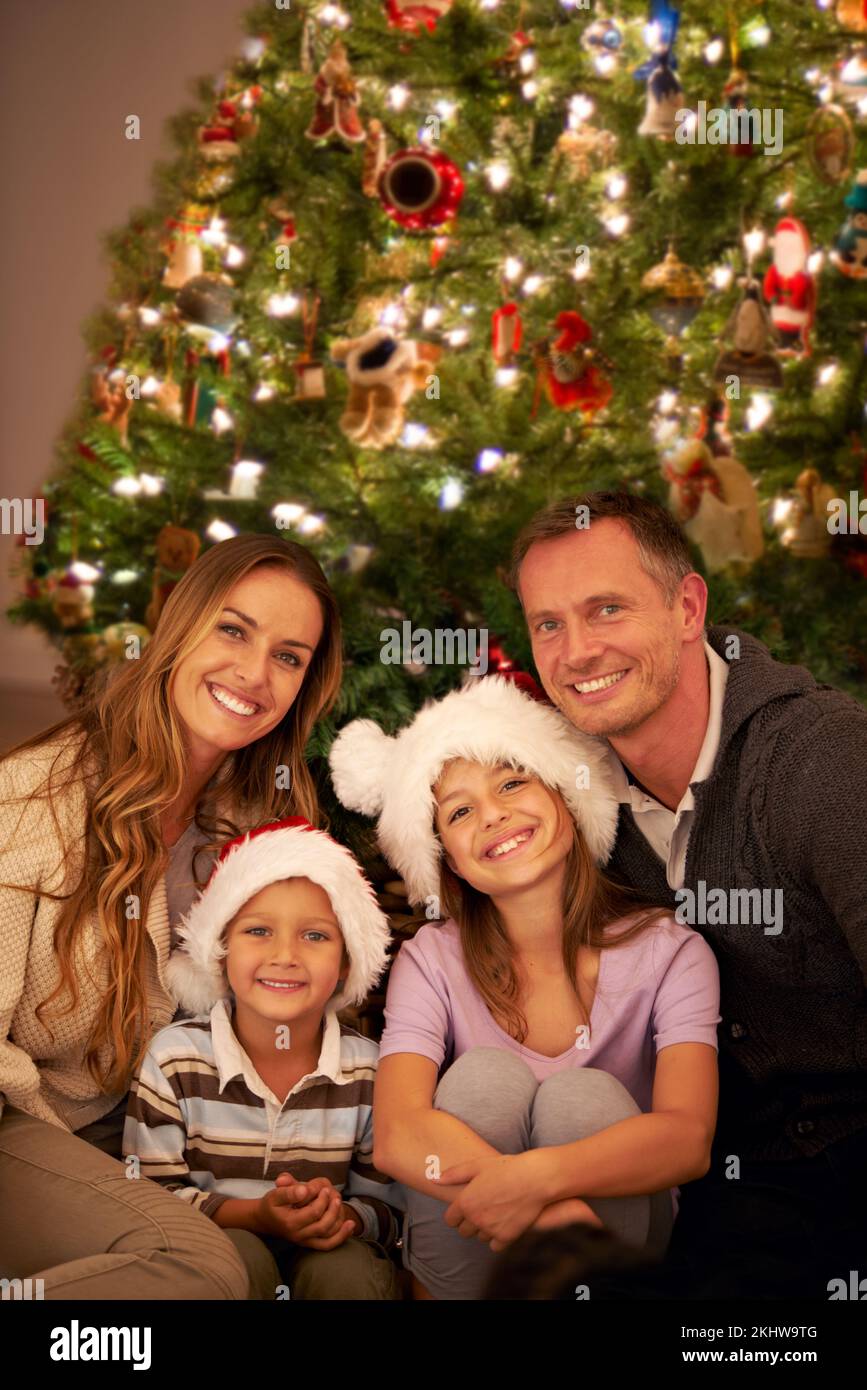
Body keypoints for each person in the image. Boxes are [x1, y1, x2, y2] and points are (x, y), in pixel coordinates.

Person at [508, 488, 867, 1299]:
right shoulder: (564, 800)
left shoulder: (818, 762)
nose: (575, 653)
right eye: (548, 625)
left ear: (686, 607)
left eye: (605, 609)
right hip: (729, 1183)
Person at [0, 532, 342, 1298]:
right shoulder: (31, 800)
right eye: (232, 629)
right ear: (179, 628)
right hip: (20, 1123)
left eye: (288, 657)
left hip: (160, 1140)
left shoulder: (266, 819)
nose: (254, 674)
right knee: (190, 1264)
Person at [329, 674, 720, 1300]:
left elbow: (687, 1138)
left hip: (604, 1252)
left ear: (568, 795)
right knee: (484, 1081)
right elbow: (400, 1138)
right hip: (472, 1251)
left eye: (514, 781)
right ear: (446, 859)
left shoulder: (669, 951)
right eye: (459, 811)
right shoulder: (432, 958)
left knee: (582, 1099)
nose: (495, 814)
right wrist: (539, 1205)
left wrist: (540, 1181)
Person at [124, 815, 403, 1300]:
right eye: (258, 931)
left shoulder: (372, 1073)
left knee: (348, 1270)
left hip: (330, 1254)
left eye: (314, 936)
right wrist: (254, 1215)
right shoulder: (175, 1060)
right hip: (215, 1250)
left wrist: (343, 1216)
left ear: (345, 964)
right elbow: (148, 1202)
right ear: (219, 951)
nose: (285, 955)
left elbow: (391, 1212)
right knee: (238, 1255)